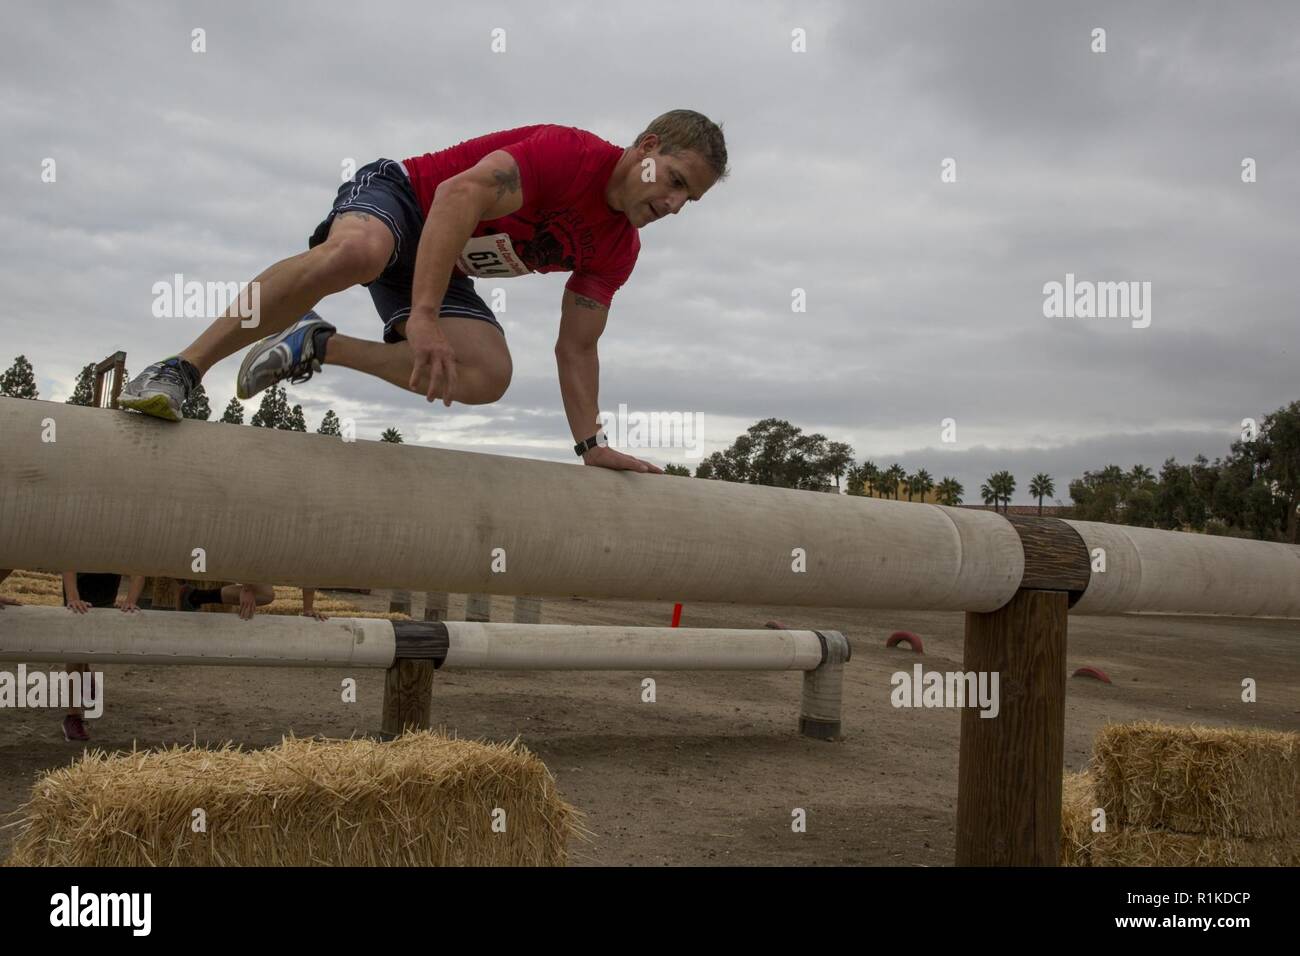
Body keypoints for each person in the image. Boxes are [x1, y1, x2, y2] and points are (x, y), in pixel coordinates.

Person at [118, 111, 728, 472]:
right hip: (405, 201)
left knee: (488, 375)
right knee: (360, 253)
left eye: (689, 200)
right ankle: (179, 369)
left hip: (440, 267)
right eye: (674, 181)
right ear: (647, 148)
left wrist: (591, 444)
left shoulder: (618, 247)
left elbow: (577, 348)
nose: (674, 205)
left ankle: (318, 344)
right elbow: (456, 197)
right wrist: (426, 317)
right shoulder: (568, 155)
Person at [61, 571, 147, 741]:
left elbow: (138, 569)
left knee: (88, 646)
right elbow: (68, 562)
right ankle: (73, 716)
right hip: (80, 588)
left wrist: (131, 600)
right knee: (77, 649)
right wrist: (73, 596)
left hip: (106, 592)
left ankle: (85, 673)